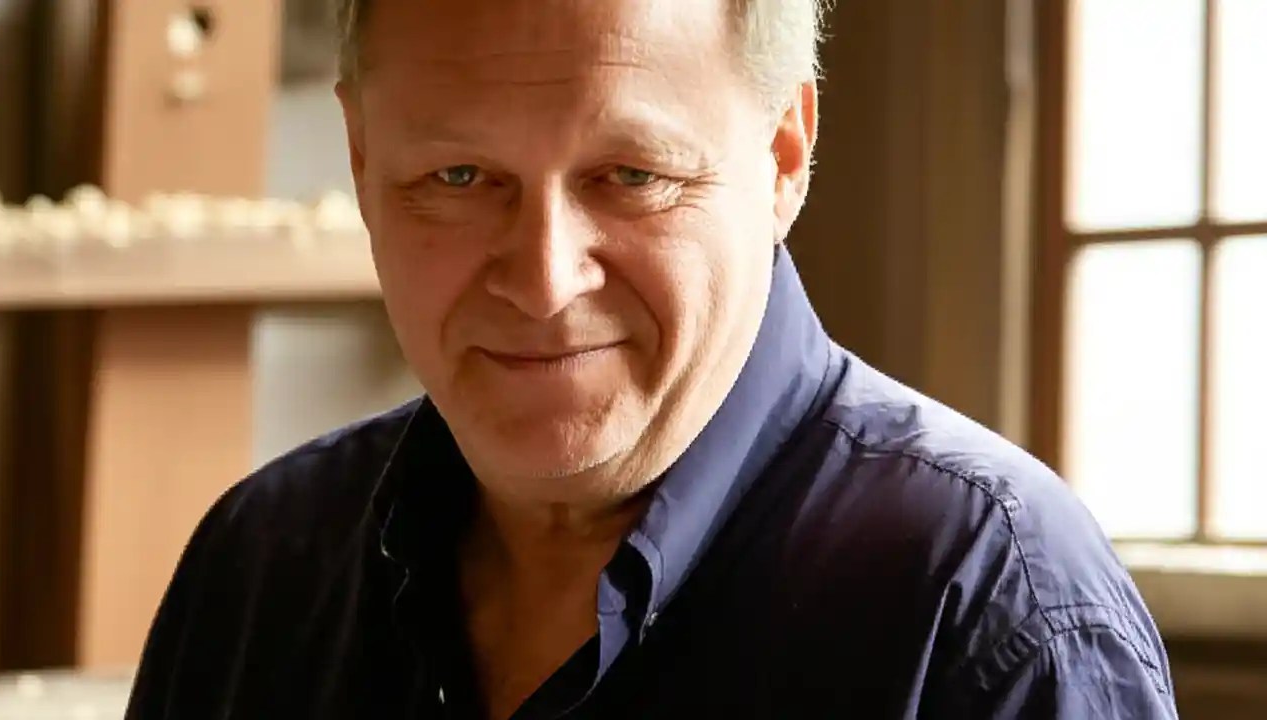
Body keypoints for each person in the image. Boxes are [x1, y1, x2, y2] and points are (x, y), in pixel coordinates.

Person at [126, 0, 1179, 717]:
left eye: (630, 174)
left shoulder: (988, 612)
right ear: (361, 160)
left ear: (781, 157)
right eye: (457, 175)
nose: (542, 280)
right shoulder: (258, 568)